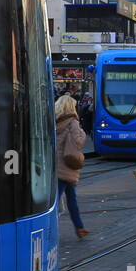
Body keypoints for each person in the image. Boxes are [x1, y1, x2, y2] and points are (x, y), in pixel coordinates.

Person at [55, 95, 89, 238]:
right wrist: (83, 133)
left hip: (56, 163)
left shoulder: (55, 121)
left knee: (69, 197)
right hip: (68, 164)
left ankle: (79, 227)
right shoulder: (73, 123)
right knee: (61, 200)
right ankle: (52, 228)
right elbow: (78, 142)